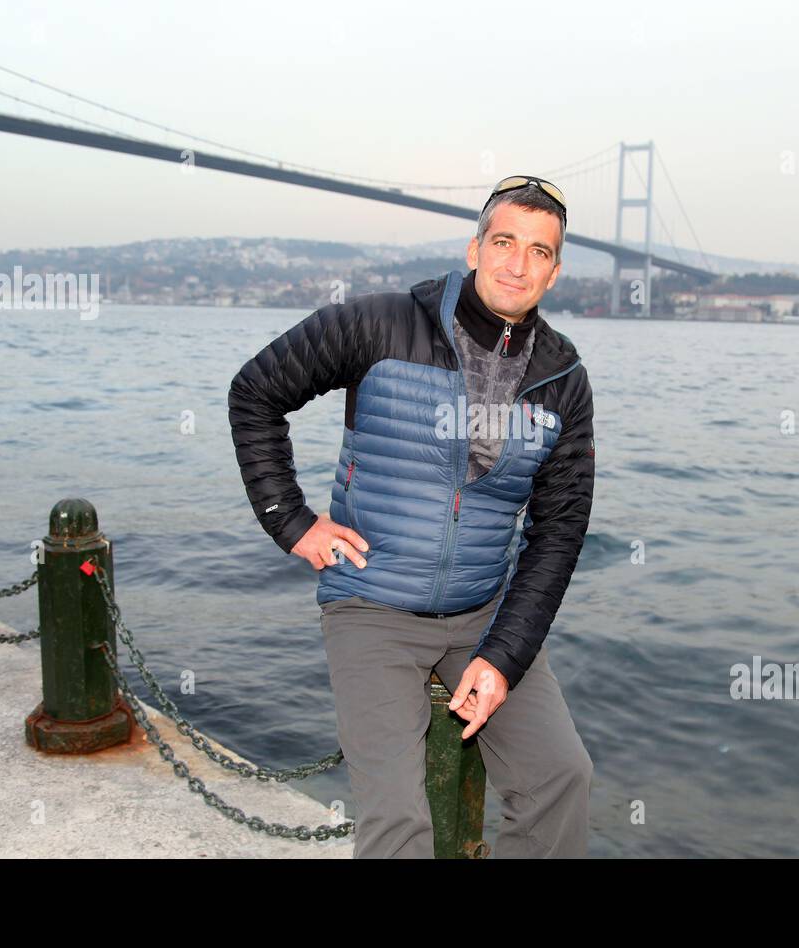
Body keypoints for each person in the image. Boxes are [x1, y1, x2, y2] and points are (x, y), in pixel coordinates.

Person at [228, 176, 595, 857]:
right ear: (474, 248)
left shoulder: (563, 376)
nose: (518, 263)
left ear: (555, 269)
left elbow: (559, 533)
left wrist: (503, 658)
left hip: (484, 614)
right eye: (505, 242)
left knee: (561, 779)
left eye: (538, 251)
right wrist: (292, 519)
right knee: (399, 821)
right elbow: (255, 391)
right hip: (372, 606)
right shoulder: (380, 323)